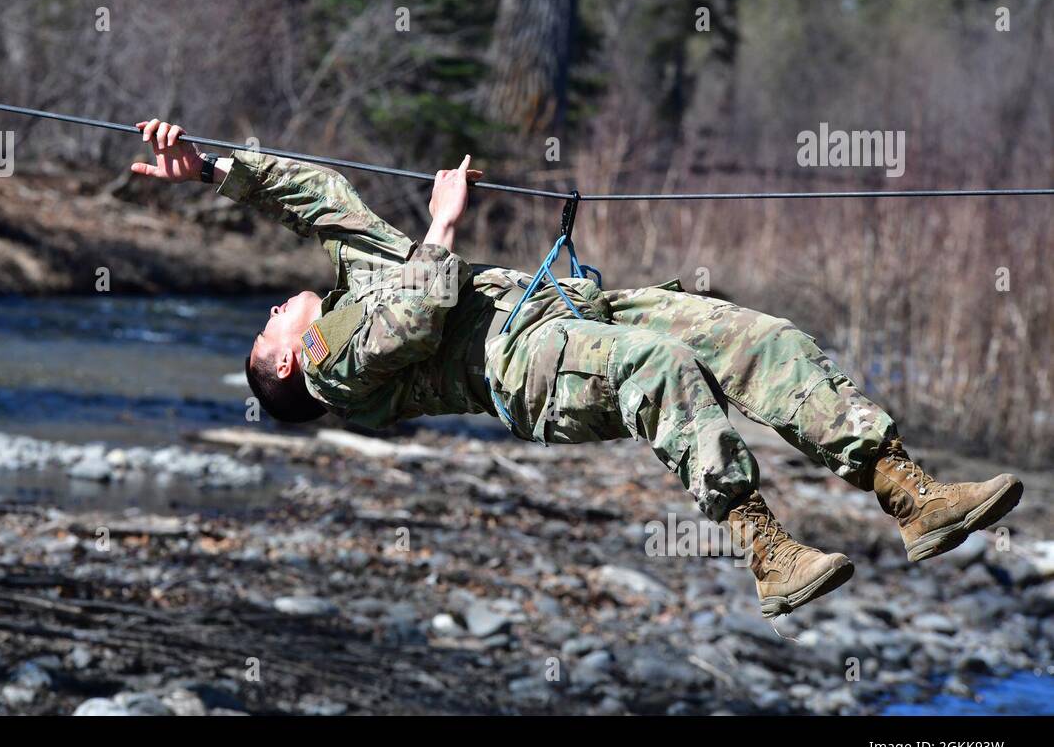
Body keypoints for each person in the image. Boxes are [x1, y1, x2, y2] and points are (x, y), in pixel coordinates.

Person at [129, 119, 1024, 618]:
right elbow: (420, 318)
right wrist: (441, 230)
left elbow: (319, 199)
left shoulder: (352, 279)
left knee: (760, 336)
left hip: (569, 310)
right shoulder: (330, 376)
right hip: (529, 367)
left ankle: (907, 493)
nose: (271, 309)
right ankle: (766, 551)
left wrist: (210, 167)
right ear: (284, 361)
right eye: (265, 328)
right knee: (662, 366)